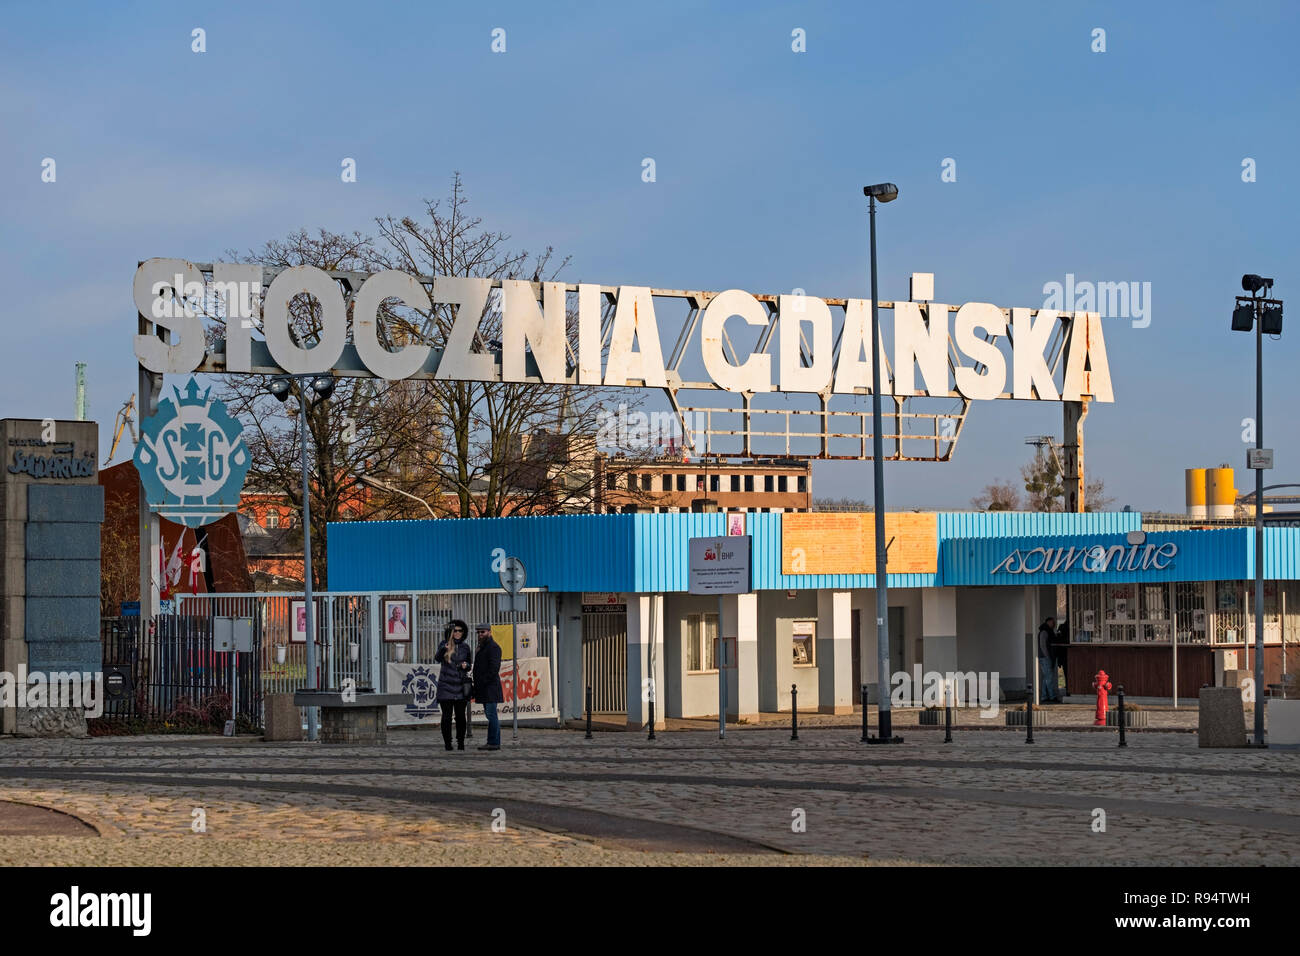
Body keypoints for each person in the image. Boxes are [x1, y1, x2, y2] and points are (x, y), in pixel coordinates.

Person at [435, 619, 473, 750]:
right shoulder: (444, 644)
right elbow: (438, 658)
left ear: (464, 632)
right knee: (446, 717)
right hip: (446, 686)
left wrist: (466, 665)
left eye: (460, 630)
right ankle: (447, 743)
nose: (457, 633)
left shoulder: (465, 647)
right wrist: (443, 649)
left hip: (460, 686)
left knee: (461, 717)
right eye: (455, 630)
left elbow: (469, 665)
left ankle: (461, 742)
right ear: (451, 631)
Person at [471, 623, 503, 751]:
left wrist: (482, 682)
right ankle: (493, 741)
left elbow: (494, 669)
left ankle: (494, 742)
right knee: (490, 715)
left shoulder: (493, 647)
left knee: (491, 715)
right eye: (478, 632)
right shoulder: (482, 647)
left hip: (490, 687)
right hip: (485, 687)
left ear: (489, 632)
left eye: (482, 632)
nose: (480, 634)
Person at [1037, 616, 1059, 703]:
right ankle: (1052, 696)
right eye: (1053, 623)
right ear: (1048, 622)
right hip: (1045, 658)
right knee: (1049, 677)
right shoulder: (1045, 632)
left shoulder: (1046, 631)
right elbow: (1043, 646)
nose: (1054, 625)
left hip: (1045, 657)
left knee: (1046, 677)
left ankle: (1044, 696)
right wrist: (1047, 656)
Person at [1051, 618, 1070, 694]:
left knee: (1066, 673)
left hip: (1062, 656)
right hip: (1065, 654)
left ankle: (1068, 688)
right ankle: (1068, 688)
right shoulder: (1068, 630)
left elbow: (1057, 642)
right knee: (1068, 673)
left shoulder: (1061, 629)